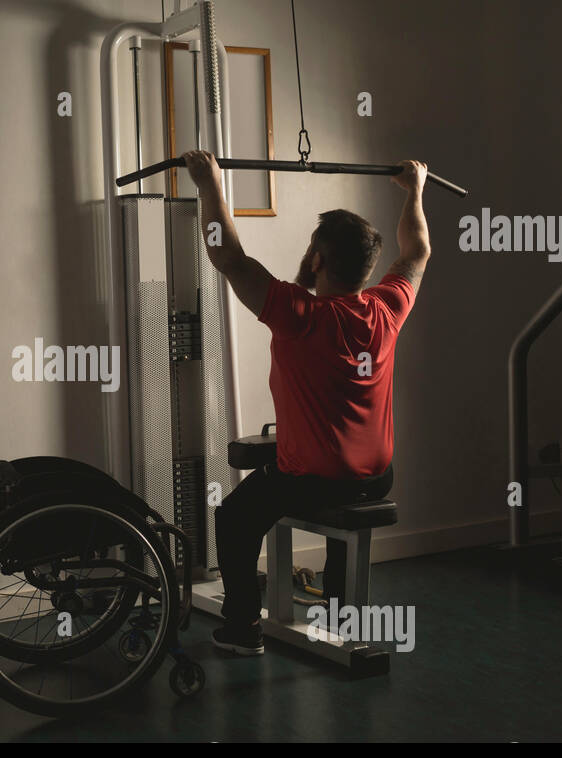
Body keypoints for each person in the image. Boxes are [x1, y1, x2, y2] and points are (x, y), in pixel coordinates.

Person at [181, 150, 430, 655]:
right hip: (376, 475)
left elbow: (226, 257)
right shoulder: (387, 308)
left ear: (317, 260)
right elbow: (418, 248)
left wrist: (208, 183)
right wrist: (416, 190)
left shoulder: (298, 313)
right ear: (367, 266)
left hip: (313, 482)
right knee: (286, 462)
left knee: (232, 516)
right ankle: (336, 605)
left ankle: (243, 626)